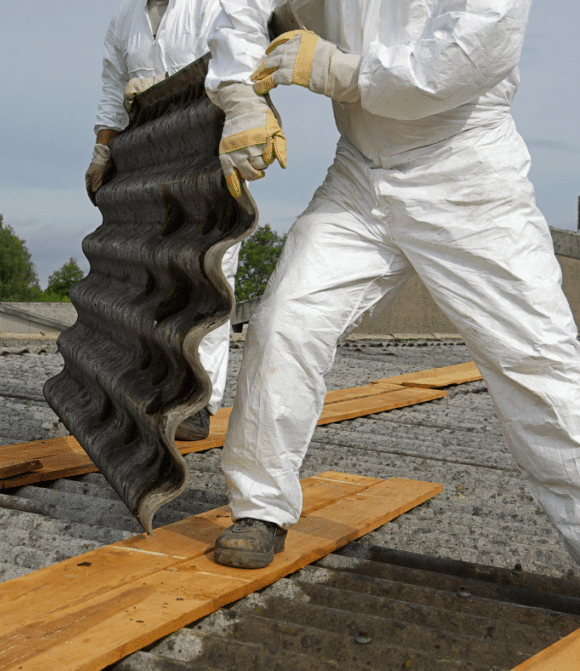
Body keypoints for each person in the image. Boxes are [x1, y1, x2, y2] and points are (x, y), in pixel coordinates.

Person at [205, 0, 580, 569]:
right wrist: (240, 96)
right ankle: (260, 508)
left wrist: (337, 71)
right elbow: (242, 5)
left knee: (535, 361)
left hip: (466, 172)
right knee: (286, 321)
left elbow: (460, 61)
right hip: (360, 172)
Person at [86, 0, 240, 440]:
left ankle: (200, 401)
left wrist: (172, 87)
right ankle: (153, 386)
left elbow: (237, 65)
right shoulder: (125, 20)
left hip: (210, 150)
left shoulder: (211, 6)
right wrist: (102, 152)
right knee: (153, 273)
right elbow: (113, 90)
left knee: (209, 273)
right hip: (150, 158)